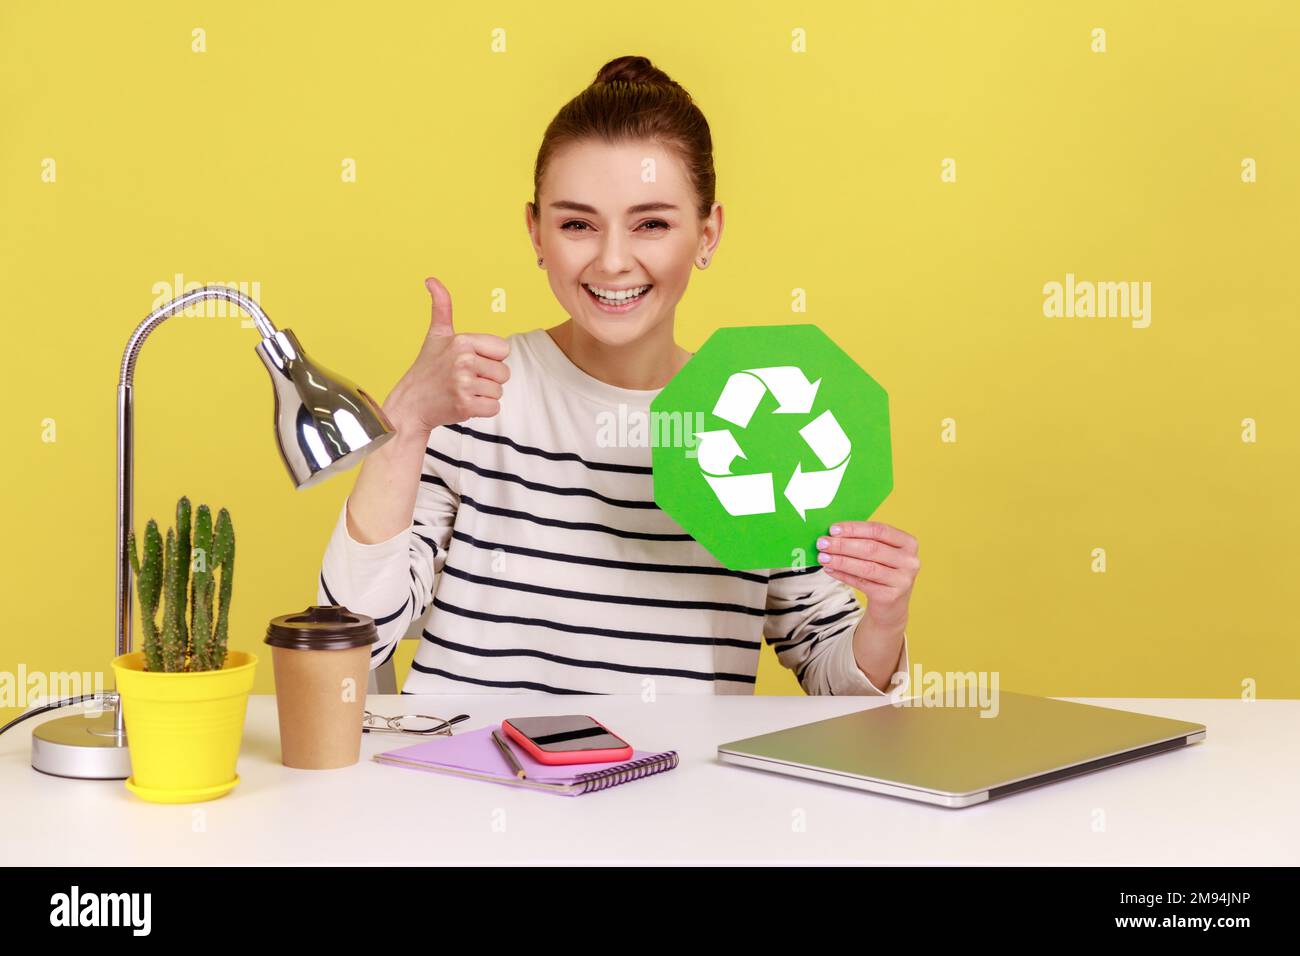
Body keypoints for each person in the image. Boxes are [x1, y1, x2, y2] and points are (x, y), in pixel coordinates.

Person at [317, 55, 919, 695]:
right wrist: (406, 423)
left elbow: (835, 679)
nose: (611, 261)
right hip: (472, 779)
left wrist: (886, 615)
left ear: (707, 233)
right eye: (577, 224)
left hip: (676, 789)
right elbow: (350, 642)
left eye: (651, 223)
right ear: (537, 232)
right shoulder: (475, 398)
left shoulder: (766, 412)